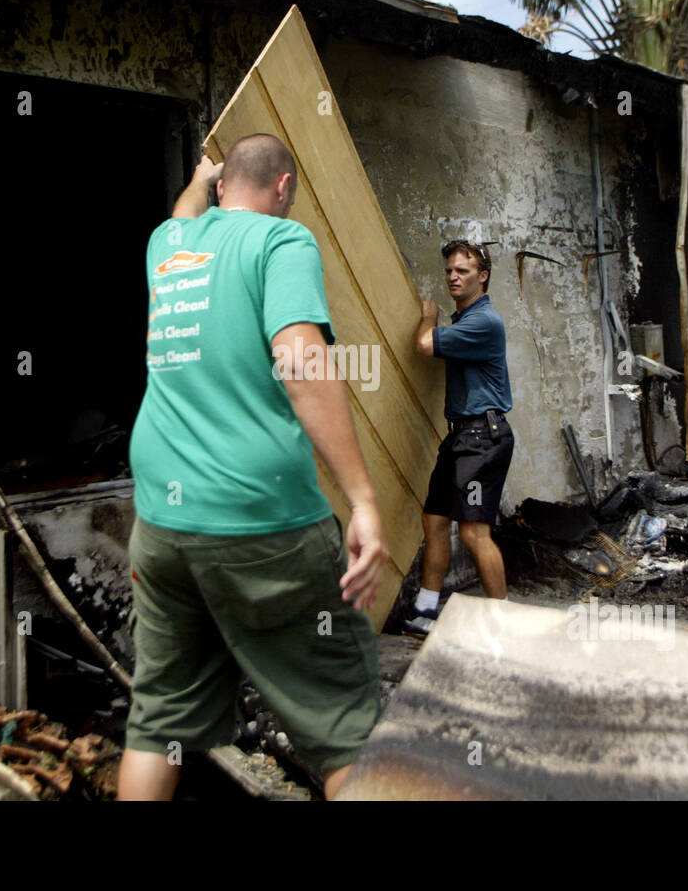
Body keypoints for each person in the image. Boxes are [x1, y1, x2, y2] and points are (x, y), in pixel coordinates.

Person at [117, 133, 389, 801]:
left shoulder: (167, 246)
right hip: (262, 524)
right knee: (348, 728)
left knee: (157, 722)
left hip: (162, 526)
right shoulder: (281, 241)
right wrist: (363, 498)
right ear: (284, 187)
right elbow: (300, 361)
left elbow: (184, 210)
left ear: (219, 187)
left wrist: (200, 177)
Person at [406, 239, 514, 633]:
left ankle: (502, 621)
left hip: (483, 439)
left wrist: (428, 316)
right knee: (434, 519)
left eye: (462, 271)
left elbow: (424, 344)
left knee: (472, 531)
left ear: (482, 277)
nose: (453, 277)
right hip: (461, 437)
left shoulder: (483, 322)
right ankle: (425, 610)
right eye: (449, 270)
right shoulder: (466, 321)